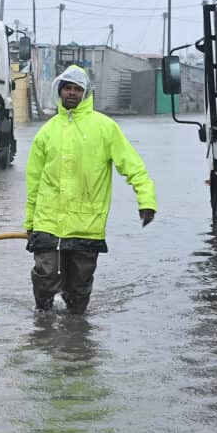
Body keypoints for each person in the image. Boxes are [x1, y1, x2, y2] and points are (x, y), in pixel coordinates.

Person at [24, 65, 156, 313]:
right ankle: (43, 319)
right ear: (60, 91)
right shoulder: (46, 132)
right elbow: (34, 181)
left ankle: (75, 326)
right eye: (67, 88)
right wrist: (30, 222)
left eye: (77, 89)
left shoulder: (105, 128)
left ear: (85, 93)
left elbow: (133, 167)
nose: (72, 93)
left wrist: (146, 201)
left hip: (87, 224)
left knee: (79, 287)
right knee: (45, 276)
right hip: (47, 221)